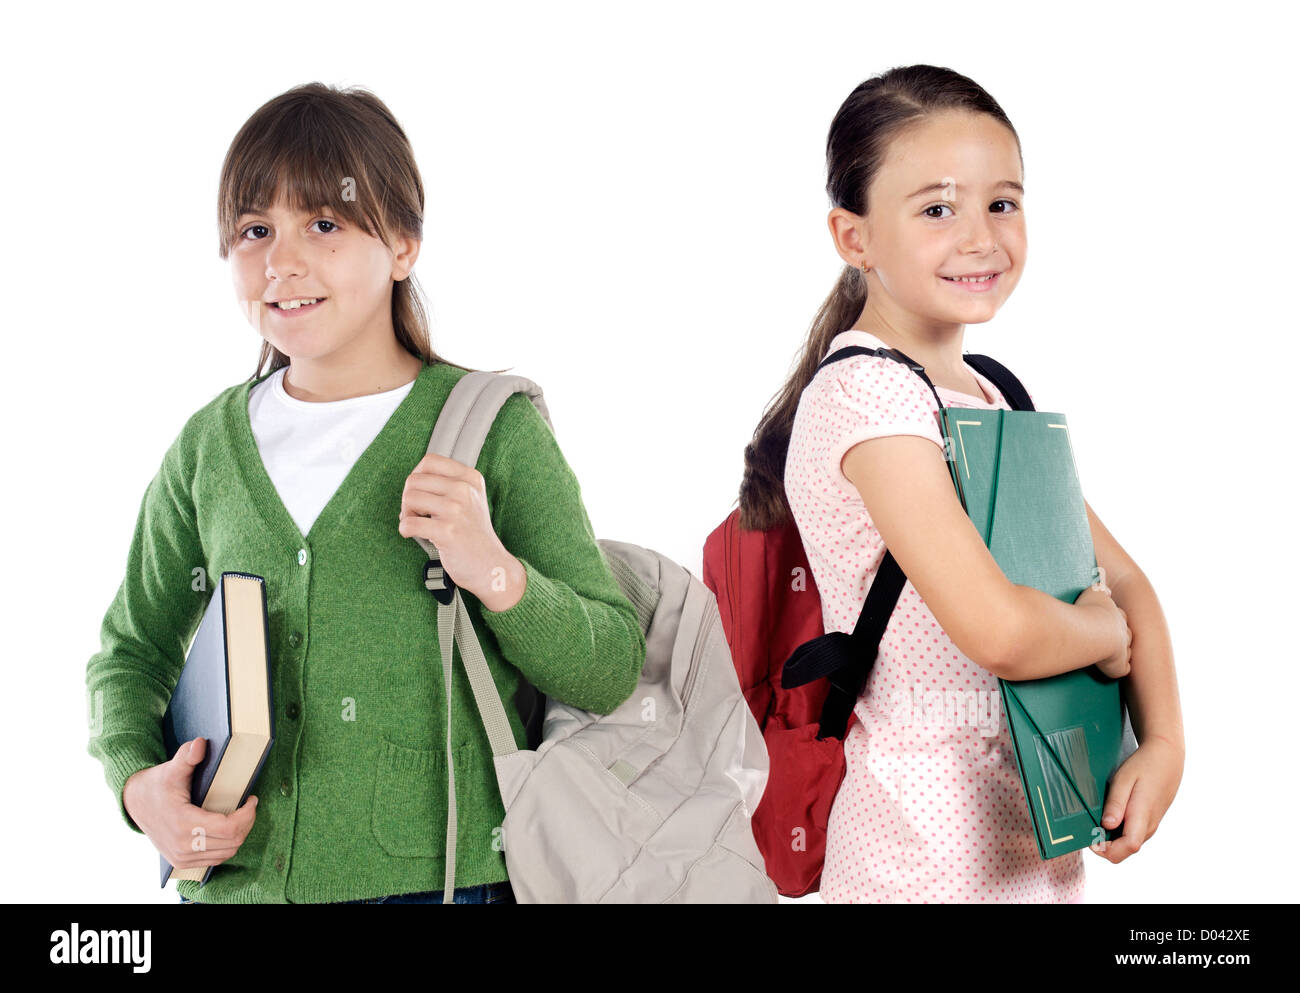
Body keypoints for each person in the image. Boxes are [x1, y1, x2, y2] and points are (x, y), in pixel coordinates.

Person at [85, 82, 646, 905]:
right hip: (237, 890)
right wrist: (141, 789)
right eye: (254, 231)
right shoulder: (207, 447)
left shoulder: (491, 427)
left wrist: (494, 572)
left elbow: (608, 666)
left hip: (442, 885)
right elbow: (130, 655)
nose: (283, 262)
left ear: (405, 244)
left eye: (324, 223)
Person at [738, 65, 1183, 903]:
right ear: (853, 236)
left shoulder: (994, 396)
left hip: (1035, 844)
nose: (980, 235)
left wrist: (1163, 746)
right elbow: (999, 630)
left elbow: (1125, 581)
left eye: (1002, 203)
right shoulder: (864, 396)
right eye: (938, 208)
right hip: (918, 858)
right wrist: (1101, 634)